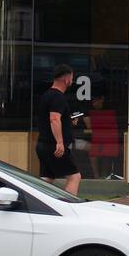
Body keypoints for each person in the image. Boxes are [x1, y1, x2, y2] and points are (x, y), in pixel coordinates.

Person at [36, 64, 82, 196]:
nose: (72, 81)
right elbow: (54, 119)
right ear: (66, 79)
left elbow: (53, 119)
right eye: (72, 78)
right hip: (55, 147)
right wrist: (60, 142)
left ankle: (39, 205)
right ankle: (68, 207)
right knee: (74, 176)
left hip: (43, 144)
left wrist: (68, 121)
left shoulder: (46, 96)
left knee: (47, 179)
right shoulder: (58, 97)